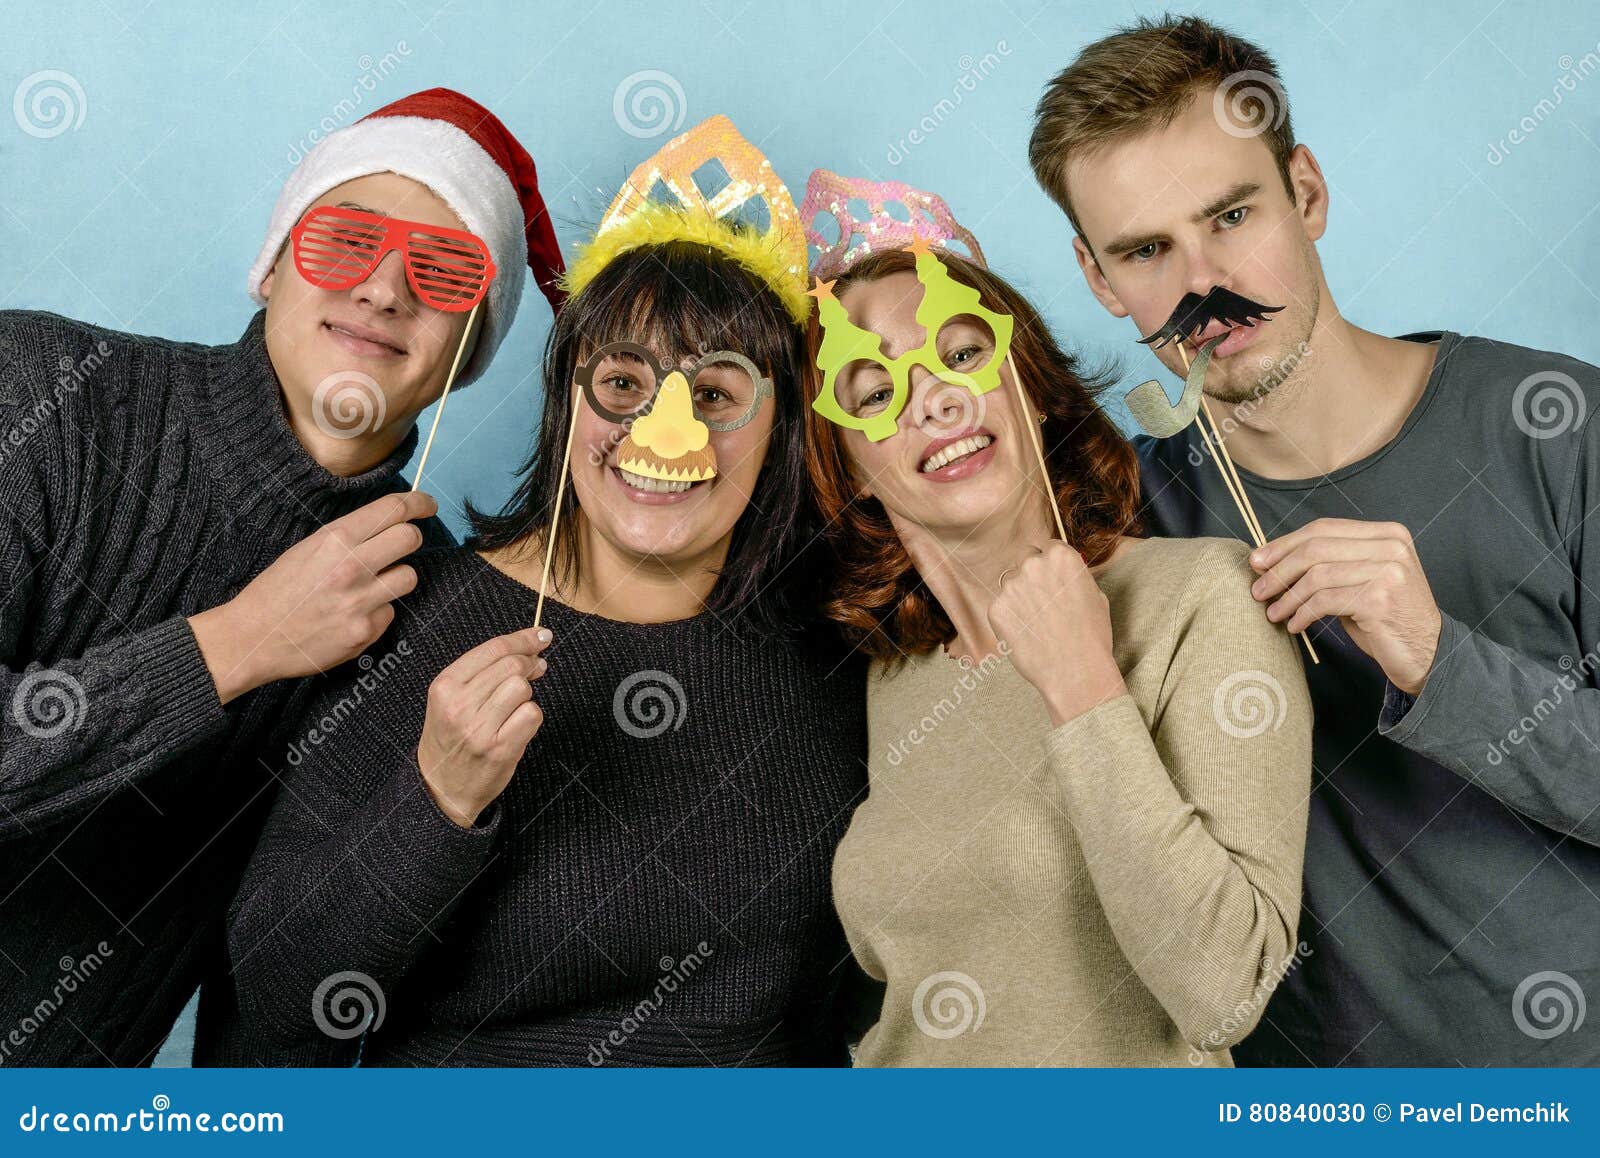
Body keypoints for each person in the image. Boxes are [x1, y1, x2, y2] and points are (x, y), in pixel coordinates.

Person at [216, 117, 868, 1067]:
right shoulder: (414, 611)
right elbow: (278, 999)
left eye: (717, 396)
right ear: (567, 407)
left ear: (780, 428)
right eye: (623, 383)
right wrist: (436, 796)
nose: (666, 433)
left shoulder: (834, 646)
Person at [1031, 14, 1600, 1064]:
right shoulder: (1120, 520)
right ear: (1098, 280)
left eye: (1232, 214)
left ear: (1307, 193)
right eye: (1147, 250)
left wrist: (1438, 658)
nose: (1203, 284)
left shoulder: (1555, 424)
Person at [0, 86, 563, 1065]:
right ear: (272, 266)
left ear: (475, 341)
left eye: (443, 269)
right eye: (343, 241)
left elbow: (276, 978)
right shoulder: (40, 389)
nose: (385, 289)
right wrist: (239, 645)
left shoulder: (431, 609)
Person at [799, 171, 1311, 1066]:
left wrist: (1082, 686)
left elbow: (1224, 991)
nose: (934, 399)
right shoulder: (891, 677)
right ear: (849, 465)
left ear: (1029, 383)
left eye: (961, 354)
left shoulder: (1202, 598)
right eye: (874, 394)